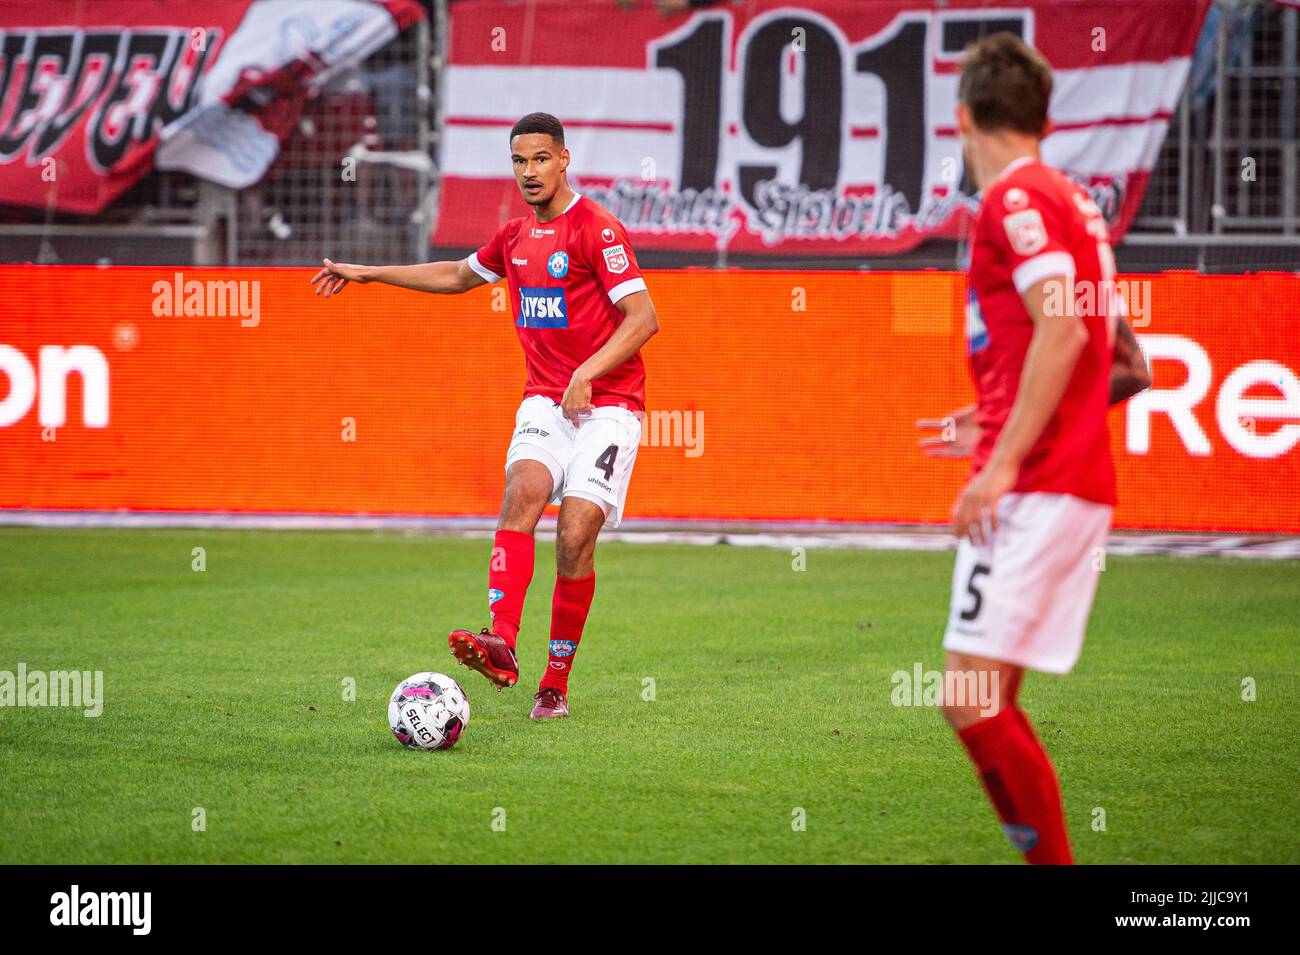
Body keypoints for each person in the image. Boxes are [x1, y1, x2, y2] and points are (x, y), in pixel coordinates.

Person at [312, 112, 659, 720]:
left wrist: (586, 373)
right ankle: (500, 641)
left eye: (540, 159)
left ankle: (555, 682)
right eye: (519, 161)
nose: (529, 172)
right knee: (522, 491)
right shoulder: (514, 237)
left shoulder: (597, 230)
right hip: (546, 400)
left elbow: (643, 319)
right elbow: (453, 275)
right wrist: (368, 274)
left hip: (608, 406)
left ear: (564, 160)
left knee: (575, 539)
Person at [914, 33, 1149, 864]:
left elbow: (1063, 325)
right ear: (1043, 117)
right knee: (986, 697)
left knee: (968, 698)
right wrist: (998, 417)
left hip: (1037, 486)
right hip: (1067, 476)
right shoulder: (1075, 202)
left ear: (966, 115)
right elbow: (1126, 363)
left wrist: (1006, 458)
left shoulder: (1013, 202)